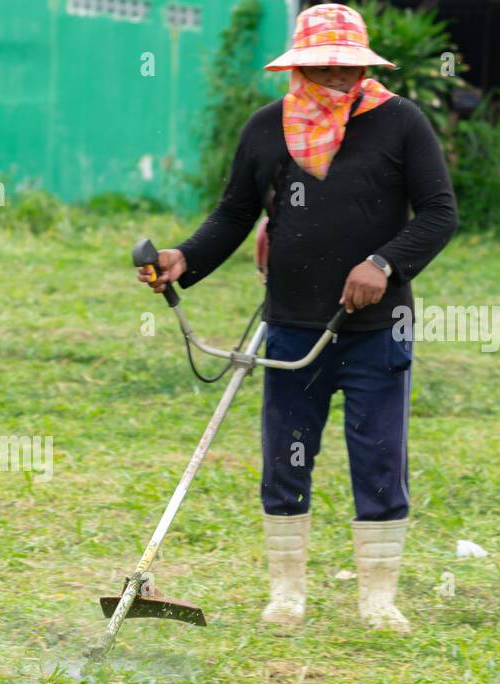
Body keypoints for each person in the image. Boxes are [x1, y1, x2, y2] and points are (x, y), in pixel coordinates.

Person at [139, 3, 457, 633]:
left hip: (376, 329)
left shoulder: (400, 123)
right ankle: (286, 596)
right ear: (300, 66)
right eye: (322, 67)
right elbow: (233, 215)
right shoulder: (267, 129)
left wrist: (384, 264)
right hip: (288, 326)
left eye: (348, 68)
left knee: (379, 460)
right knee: (286, 460)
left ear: (364, 67)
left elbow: (440, 214)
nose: (337, 80)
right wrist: (184, 258)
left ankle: (378, 600)